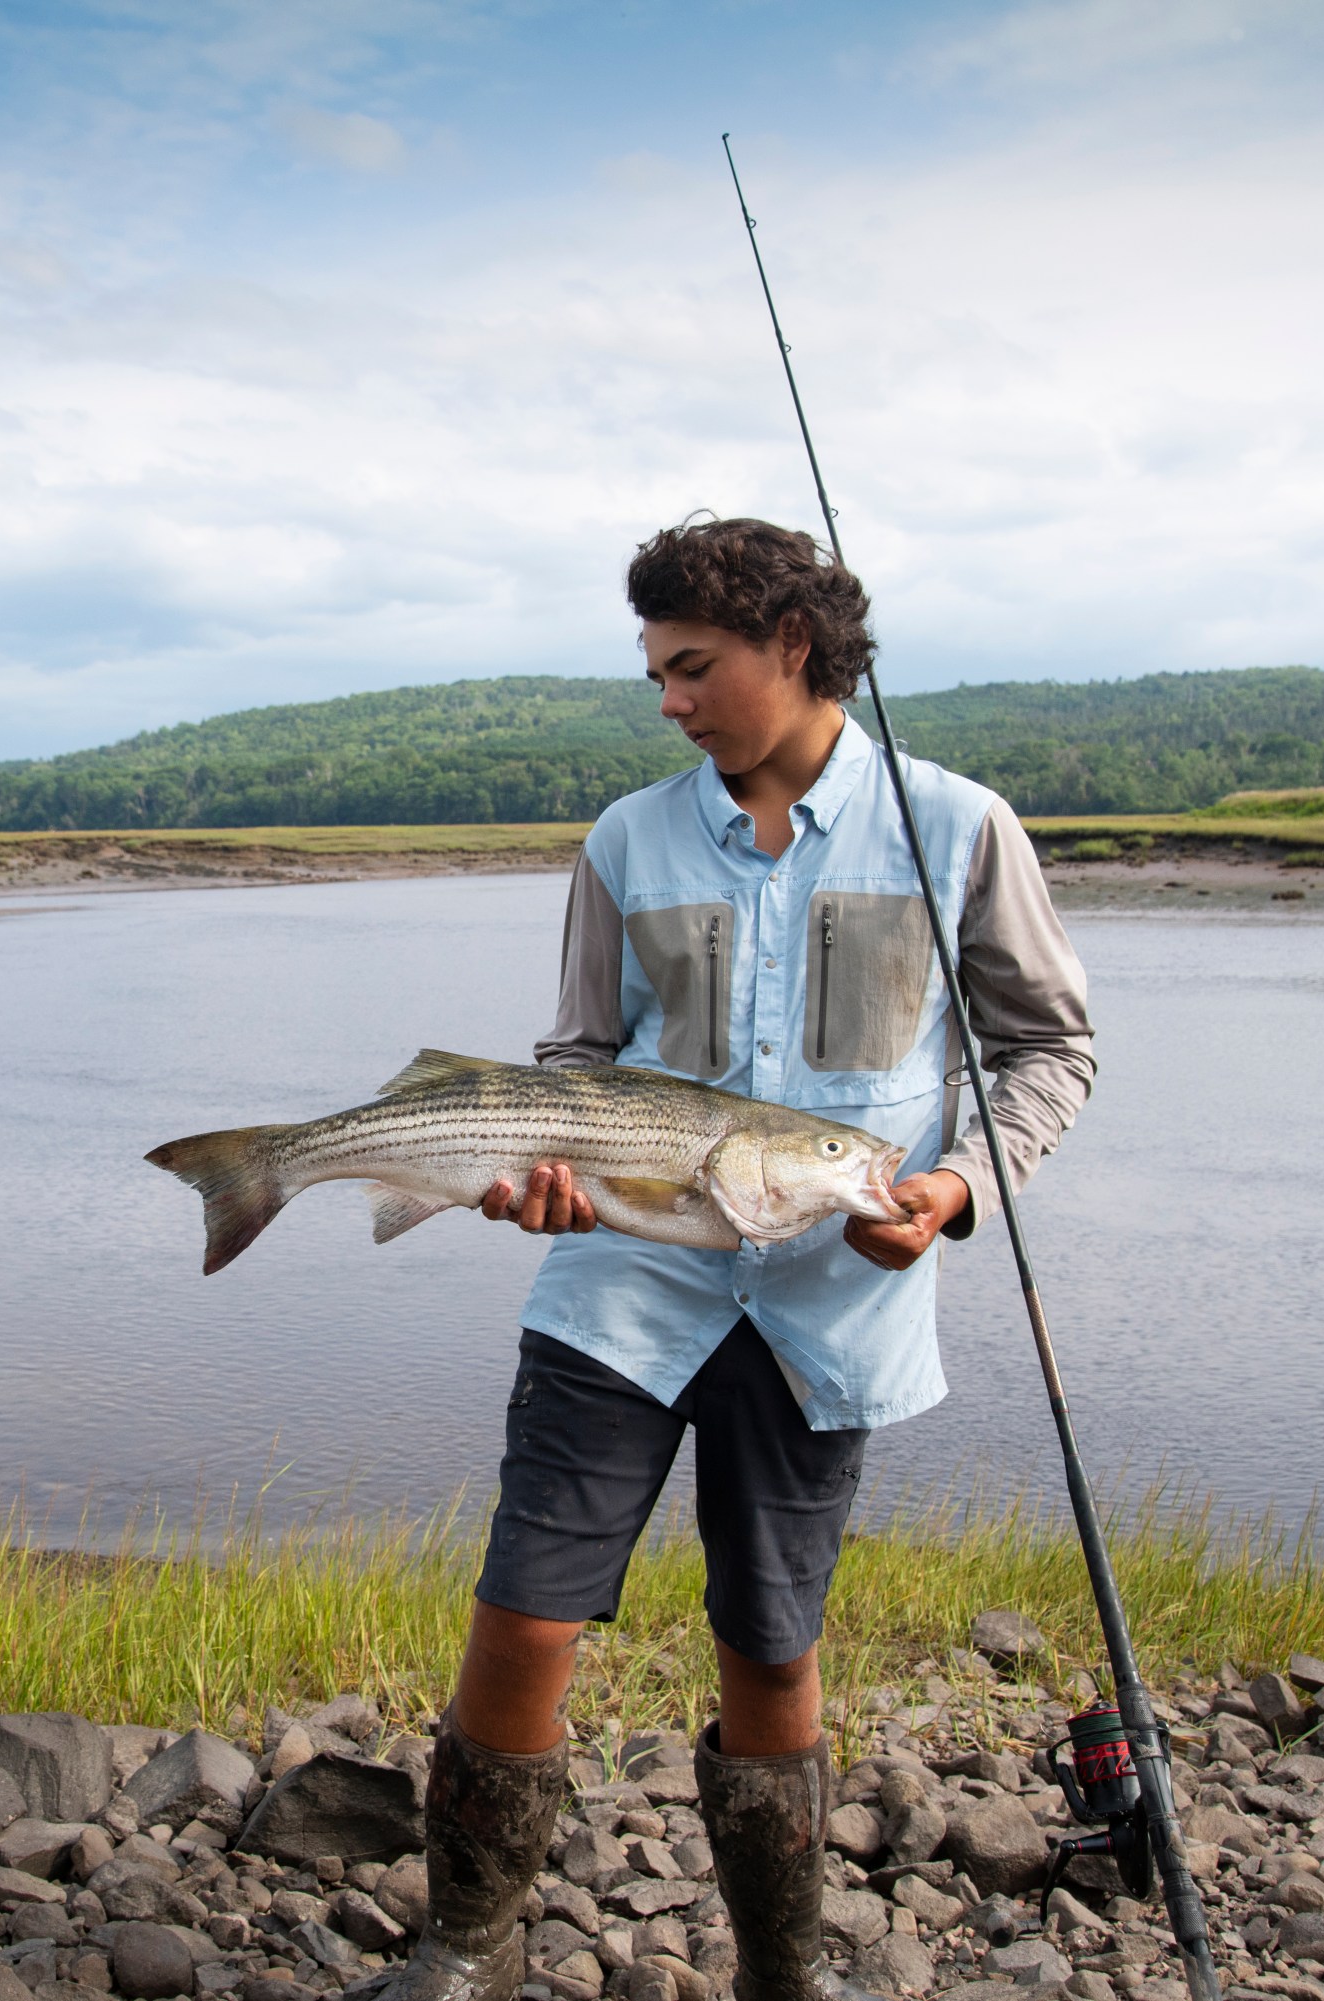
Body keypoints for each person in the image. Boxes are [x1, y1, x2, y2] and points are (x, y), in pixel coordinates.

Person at [383, 517, 1096, 2001]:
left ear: (794, 643)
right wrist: (546, 1182)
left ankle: (783, 1971)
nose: (669, 700)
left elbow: (1050, 1051)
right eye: (655, 673)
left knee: (771, 1647)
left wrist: (957, 1188)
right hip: (619, 1290)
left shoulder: (962, 827)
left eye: (692, 666)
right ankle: (465, 1947)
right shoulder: (625, 837)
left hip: (833, 1309)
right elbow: (575, 1056)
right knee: (523, 1608)